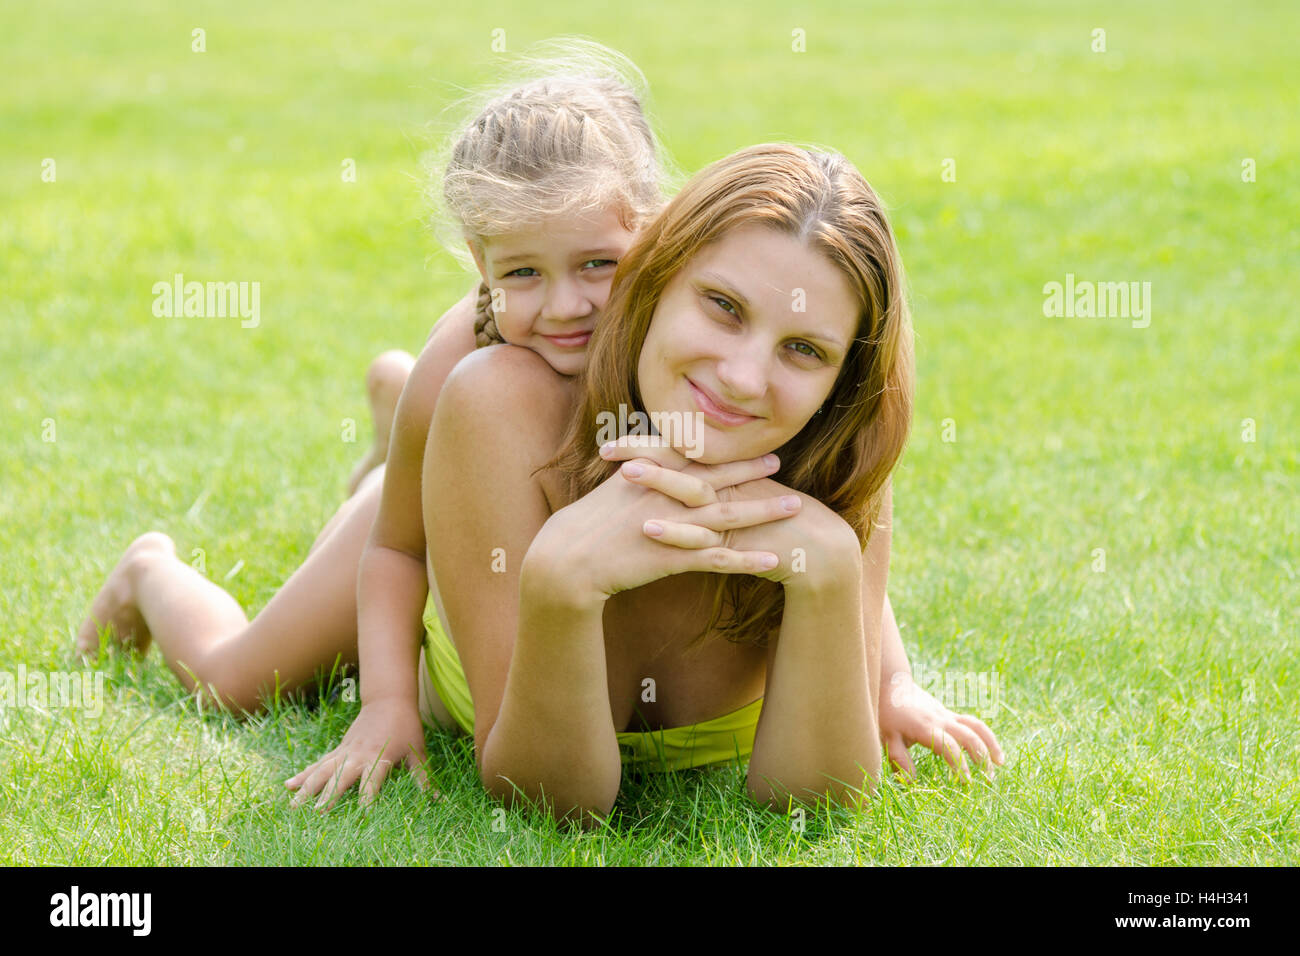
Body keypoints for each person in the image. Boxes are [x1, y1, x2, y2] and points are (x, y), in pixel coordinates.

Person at [346, 143, 1001, 823]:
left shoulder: (837, 457)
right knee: (234, 676)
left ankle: (395, 436)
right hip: (453, 508)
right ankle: (399, 434)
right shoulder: (498, 405)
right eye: (723, 306)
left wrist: (836, 577)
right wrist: (559, 584)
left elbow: (815, 803)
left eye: (805, 349)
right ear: (655, 275)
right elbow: (551, 804)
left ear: (843, 384)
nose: (743, 379)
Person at [74, 40, 668, 727]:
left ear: (653, 229)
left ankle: (398, 425)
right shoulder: (467, 345)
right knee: (236, 683)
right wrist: (386, 706)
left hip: (505, 538)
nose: (566, 305)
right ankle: (148, 572)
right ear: (479, 260)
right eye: (523, 273)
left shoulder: (690, 322)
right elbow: (397, 548)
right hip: (437, 511)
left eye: (597, 263)